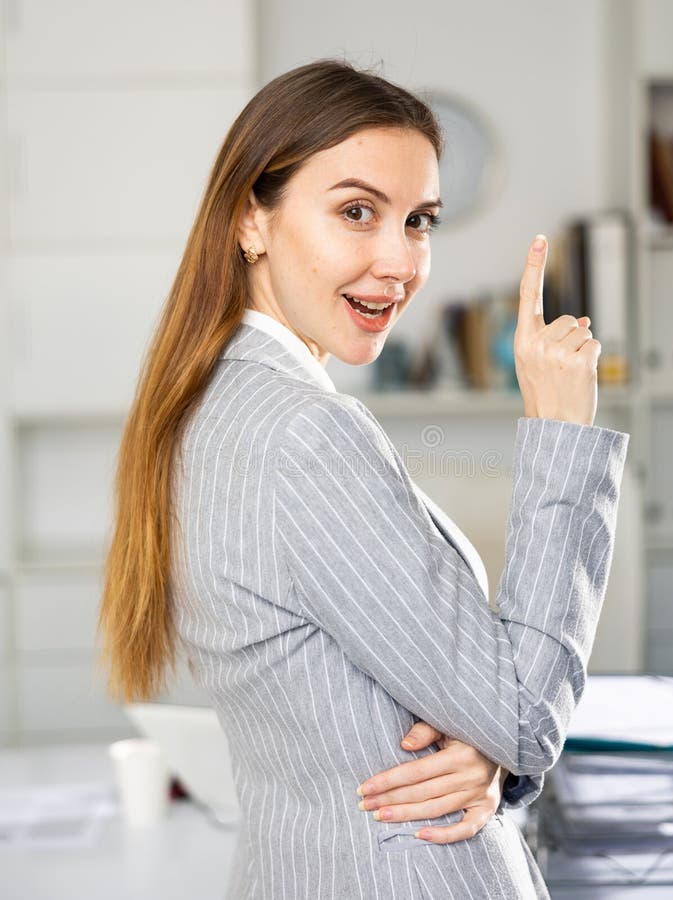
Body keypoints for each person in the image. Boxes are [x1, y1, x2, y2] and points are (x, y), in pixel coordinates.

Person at [97, 58, 629, 899]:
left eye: (418, 220)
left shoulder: (209, 401)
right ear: (250, 219)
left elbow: (426, 713)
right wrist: (561, 428)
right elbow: (526, 719)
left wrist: (487, 755)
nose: (399, 261)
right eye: (356, 212)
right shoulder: (306, 432)